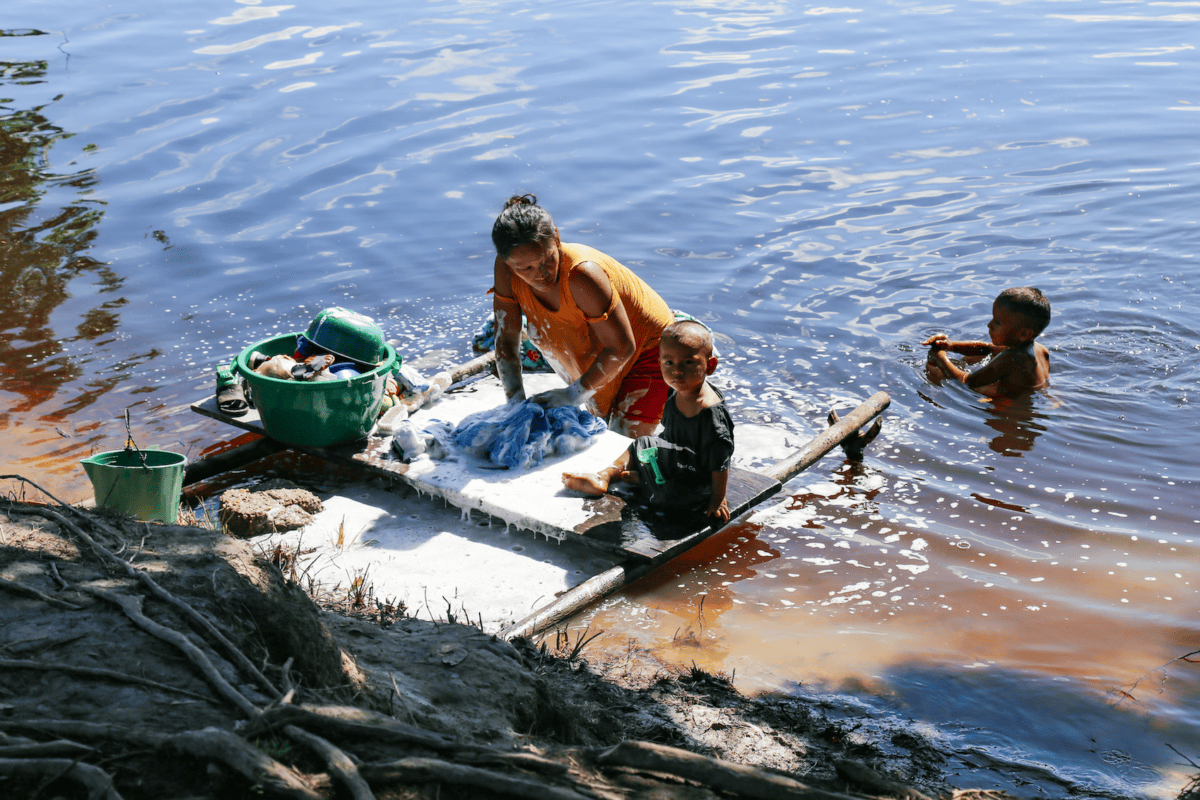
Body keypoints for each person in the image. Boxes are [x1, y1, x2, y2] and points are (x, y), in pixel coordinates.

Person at [490, 194, 675, 438]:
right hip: (601, 342)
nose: (541, 274)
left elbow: (622, 347)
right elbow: (506, 338)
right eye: (526, 269)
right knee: (601, 424)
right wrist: (516, 405)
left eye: (548, 259)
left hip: (650, 347)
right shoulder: (505, 270)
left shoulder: (581, 275)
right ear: (508, 262)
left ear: (557, 237)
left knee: (620, 443)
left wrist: (572, 395)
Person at [562, 320, 734, 523]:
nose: (677, 371)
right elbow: (668, 435)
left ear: (710, 365)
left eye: (688, 362)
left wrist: (717, 499)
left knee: (669, 498)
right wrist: (659, 455)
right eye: (669, 363)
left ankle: (643, 478)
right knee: (642, 443)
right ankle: (604, 476)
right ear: (660, 363)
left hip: (692, 479)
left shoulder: (710, 415)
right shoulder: (676, 390)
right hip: (675, 460)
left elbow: (720, 463)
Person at [923, 286, 1051, 397]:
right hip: (1026, 393)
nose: (989, 325)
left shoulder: (1011, 359)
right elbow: (986, 348)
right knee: (974, 358)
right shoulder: (1040, 349)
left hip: (1010, 405)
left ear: (1024, 334)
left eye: (997, 322)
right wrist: (950, 345)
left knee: (936, 371)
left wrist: (941, 358)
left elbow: (966, 382)